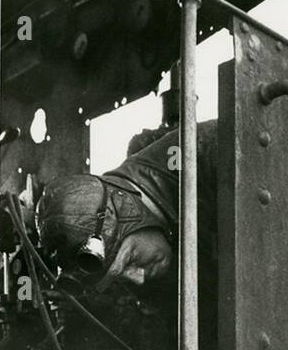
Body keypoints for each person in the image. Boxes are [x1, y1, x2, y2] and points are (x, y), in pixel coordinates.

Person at [36, 122, 218, 297]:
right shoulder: (150, 263)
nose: (139, 279)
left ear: (128, 209)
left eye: (131, 260)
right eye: (119, 278)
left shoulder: (204, 152)